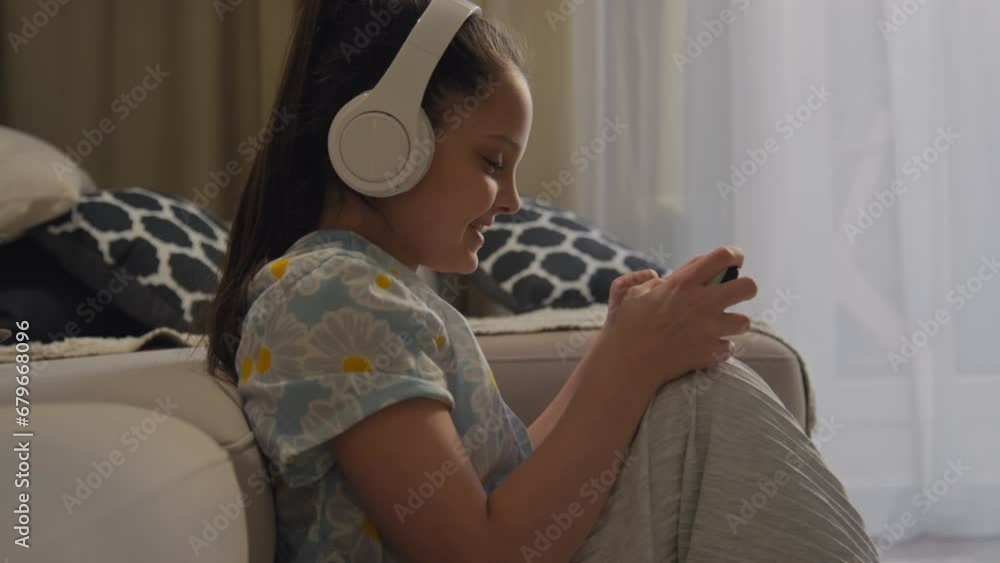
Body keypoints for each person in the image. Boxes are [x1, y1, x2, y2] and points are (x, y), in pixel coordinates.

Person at [205, 1, 879, 561]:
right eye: (494, 160)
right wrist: (626, 364)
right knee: (702, 401)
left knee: (693, 393)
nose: (513, 200)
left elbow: (509, 473)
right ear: (384, 140)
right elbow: (480, 552)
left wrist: (615, 356)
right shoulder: (328, 296)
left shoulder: (368, 293)